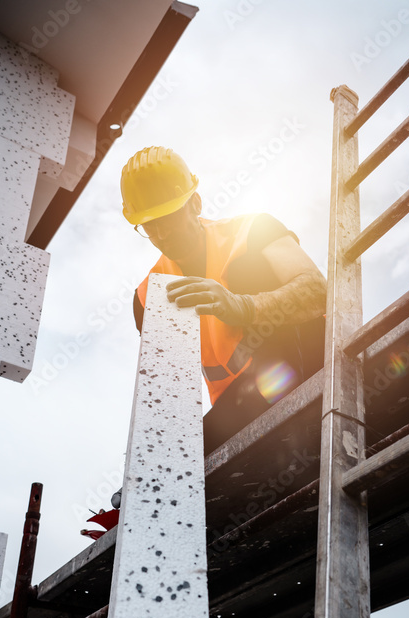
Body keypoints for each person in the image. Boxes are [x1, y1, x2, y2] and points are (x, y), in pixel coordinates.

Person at [122, 146, 327, 454]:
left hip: (313, 369)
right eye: (149, 225)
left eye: (168, 216)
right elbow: (168, 397)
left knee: (248, 269)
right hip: (240, 411)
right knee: (168, 455)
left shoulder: (252, 231)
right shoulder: (149, 296)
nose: (161, 234)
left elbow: (319, 293)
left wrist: (242, 307)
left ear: (196, 203)